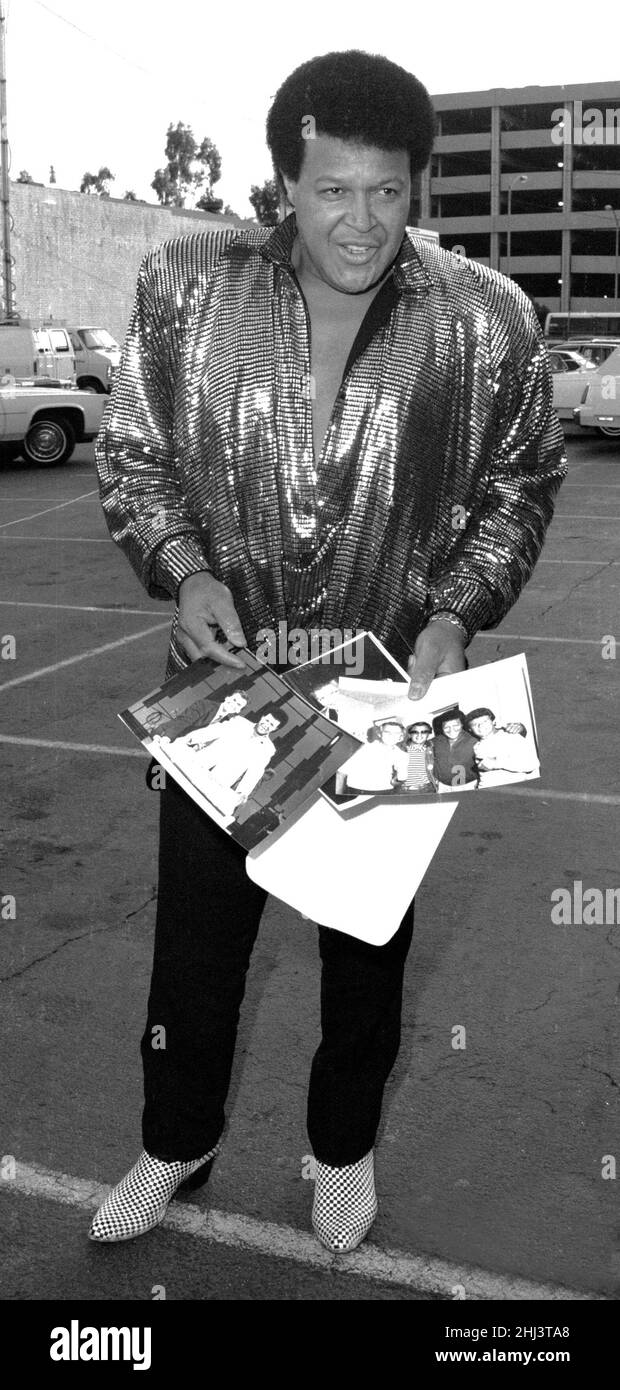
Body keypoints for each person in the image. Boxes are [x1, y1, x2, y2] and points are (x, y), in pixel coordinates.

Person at [91, 49, 567, 1255]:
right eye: (332, 190)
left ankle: (340, 1149)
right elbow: (136, 455)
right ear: (285, 186)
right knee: (195, 954)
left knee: (364, 952)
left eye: (386, 191)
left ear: (416, 186)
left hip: (391, 694)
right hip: (225, 691)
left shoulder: (484, 318)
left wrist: (456, 612)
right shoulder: (186, 288)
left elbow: (517, 485)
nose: (360, 220)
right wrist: (186, 570)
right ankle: (174, 1140)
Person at [466, 707, 537, 784]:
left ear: (493, 722)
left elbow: (532, 764)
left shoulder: (511, 736)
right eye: (475, 724)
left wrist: (496, 763)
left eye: (485, 721)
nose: (480, 726)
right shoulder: (476, 746)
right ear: (470, 729)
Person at [340, 717, 409, 792]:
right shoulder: (363, 749)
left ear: (401, 737)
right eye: (387, 732)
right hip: (357, 790)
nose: (391, 736)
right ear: (379, 734)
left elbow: (401, 778)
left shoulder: (402, 755)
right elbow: (342, 772)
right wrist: (340, 794)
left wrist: (395, 781)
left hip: (384, 791)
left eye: (396, 733)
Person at [432, 710, 479, 789]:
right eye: (446, 727)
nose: (451, 730)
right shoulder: (435, 741)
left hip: (468, 786)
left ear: (462, 724)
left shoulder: (473, 741)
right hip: (443, 787)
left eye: (455, 725)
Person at [404, 722, 437, 792]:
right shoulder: (401, 749)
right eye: (415, 732)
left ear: (428, 734)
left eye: (424, 732)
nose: (419, 735)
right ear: (409, 734)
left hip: (428, 789)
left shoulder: (433, 749)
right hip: (404, 790)